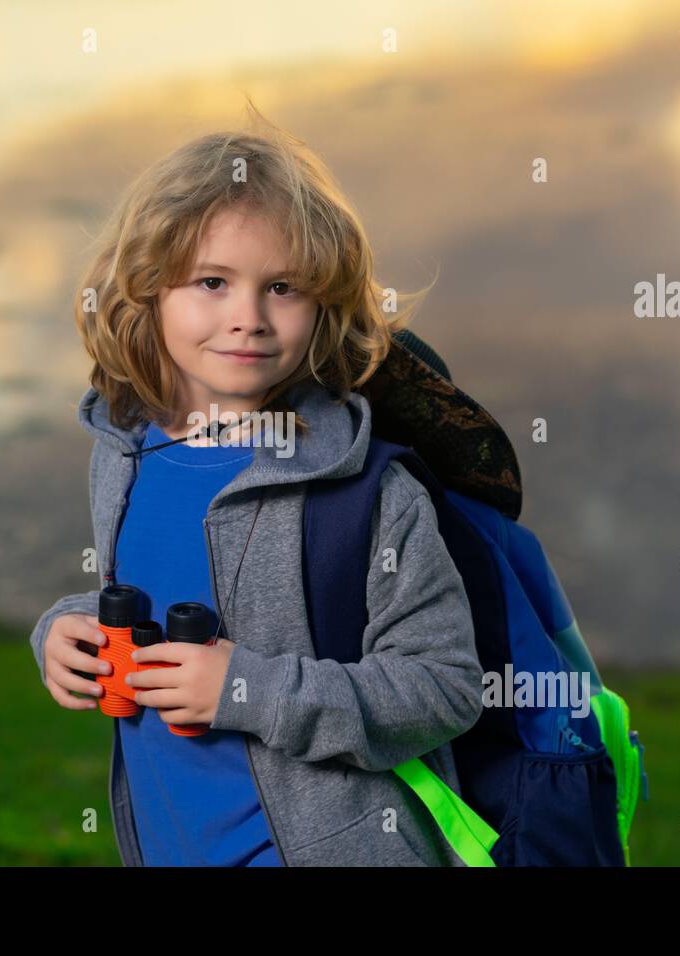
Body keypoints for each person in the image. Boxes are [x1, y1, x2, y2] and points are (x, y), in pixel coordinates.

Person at [28, 108, 484, 866]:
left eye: (282, 287)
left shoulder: (368, 496)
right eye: (212, 282)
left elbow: (443, 688)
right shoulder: (126, 453)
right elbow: (162, 593)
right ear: (148, 292)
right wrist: (67, 629)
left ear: (325, 305)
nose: (248, 318)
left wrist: (244, 689)